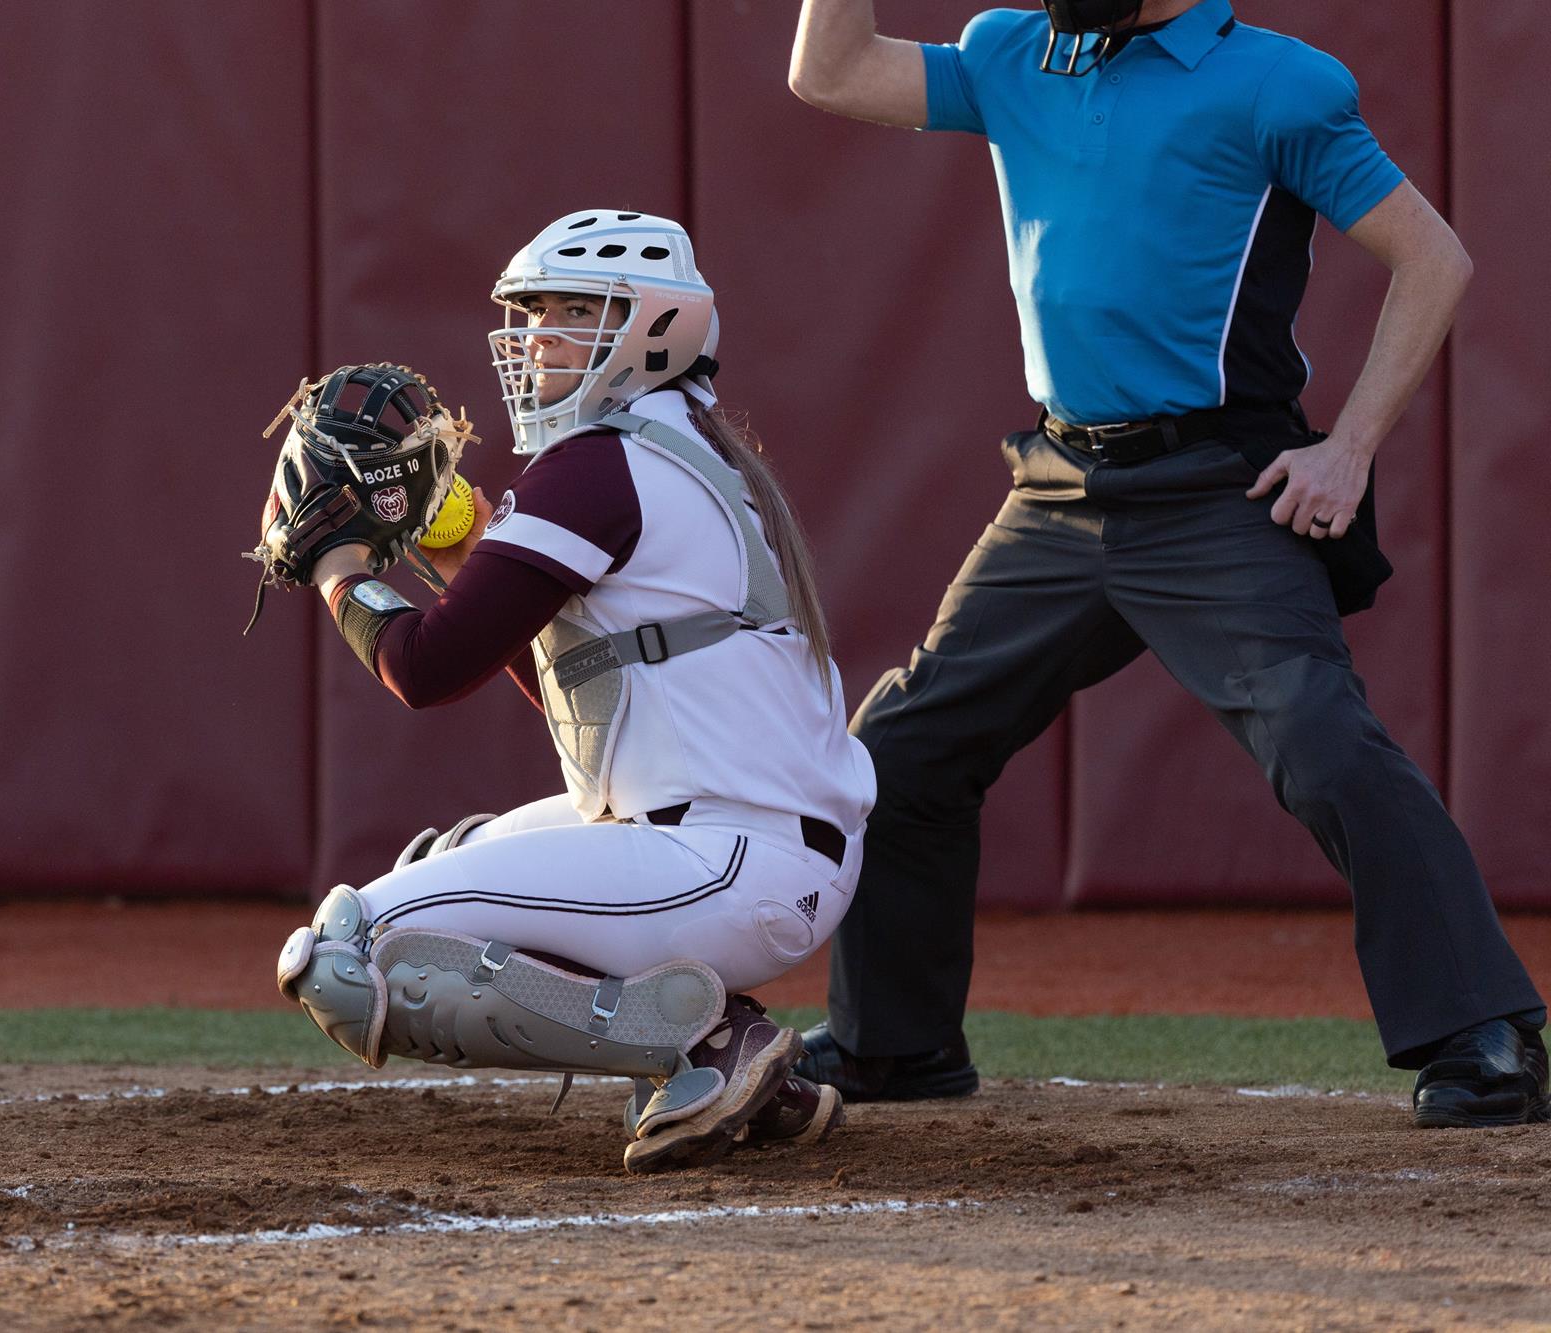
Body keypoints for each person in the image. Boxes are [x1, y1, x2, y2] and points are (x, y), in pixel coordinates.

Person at [786, 0, 1548, 1127]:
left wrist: (1345, 448)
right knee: (897, 749)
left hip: (1216, 490)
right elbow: (829, 71)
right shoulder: (1011, 51)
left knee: (1321, 742)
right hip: (1056, 489)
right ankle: (892, 1044)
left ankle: (1484, 1035)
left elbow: (1431, 258)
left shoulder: (1277, 85)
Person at [267, 210, 879, 1171]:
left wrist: (337, 567)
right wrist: (452, 539)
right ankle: (744, 1056)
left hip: (722, 854)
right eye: (535, 313)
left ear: (654, 327)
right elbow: (569, 677)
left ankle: (710, 1045)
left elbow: (425, 667)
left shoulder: (601, 463)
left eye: (569, 313)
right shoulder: (680, 447)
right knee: (457, 855)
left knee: (351, 954)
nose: (536, 338)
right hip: (745, 845)